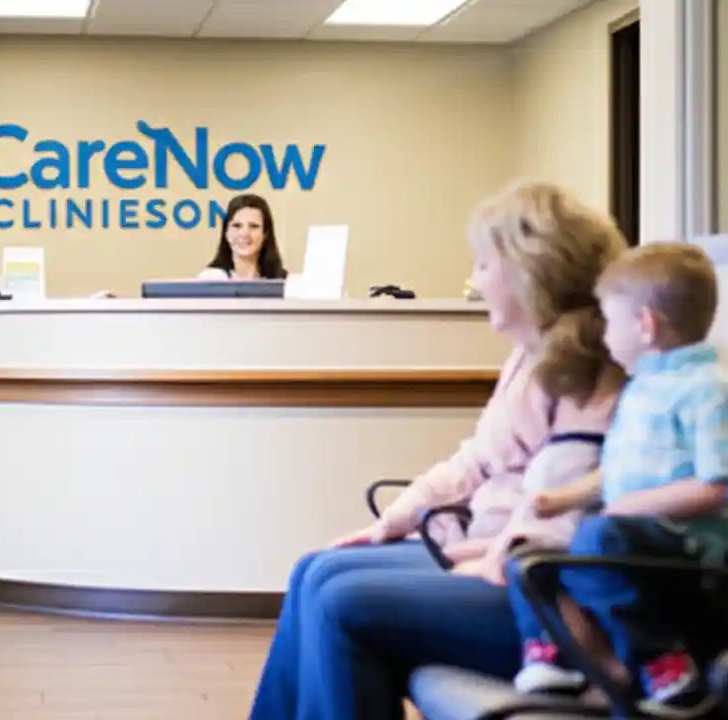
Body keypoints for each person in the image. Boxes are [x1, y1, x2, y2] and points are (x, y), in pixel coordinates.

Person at [249, 180, 629, 720]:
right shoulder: (532, 357)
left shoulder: (590, 370)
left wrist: (485, 557)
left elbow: (560, 510)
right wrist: (399, 518)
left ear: (531, 271)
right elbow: (477, 459)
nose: (474, 282)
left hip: (539, 599)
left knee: (343, 602)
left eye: (482, 265)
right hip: (493, 556)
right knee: (316, 570)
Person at [507, 242, 728, 718]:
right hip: (629, 543)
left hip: (681, 553)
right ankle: (567, 661)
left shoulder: (710, 392)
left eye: (609, 321)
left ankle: (667, 666)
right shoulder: (644, 390)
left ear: (645, 324)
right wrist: (560, 498)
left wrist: (632, 507)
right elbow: (621, 475)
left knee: (600, 535)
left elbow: (726, 486)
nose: (604, 335)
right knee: (528, 559)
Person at [198, 193, 288, 280]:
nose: (244, 233)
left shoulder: (283, 281)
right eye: (237, 226)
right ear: (226, 232)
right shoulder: (210, 279)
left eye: (254, 226)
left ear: (265, 233)